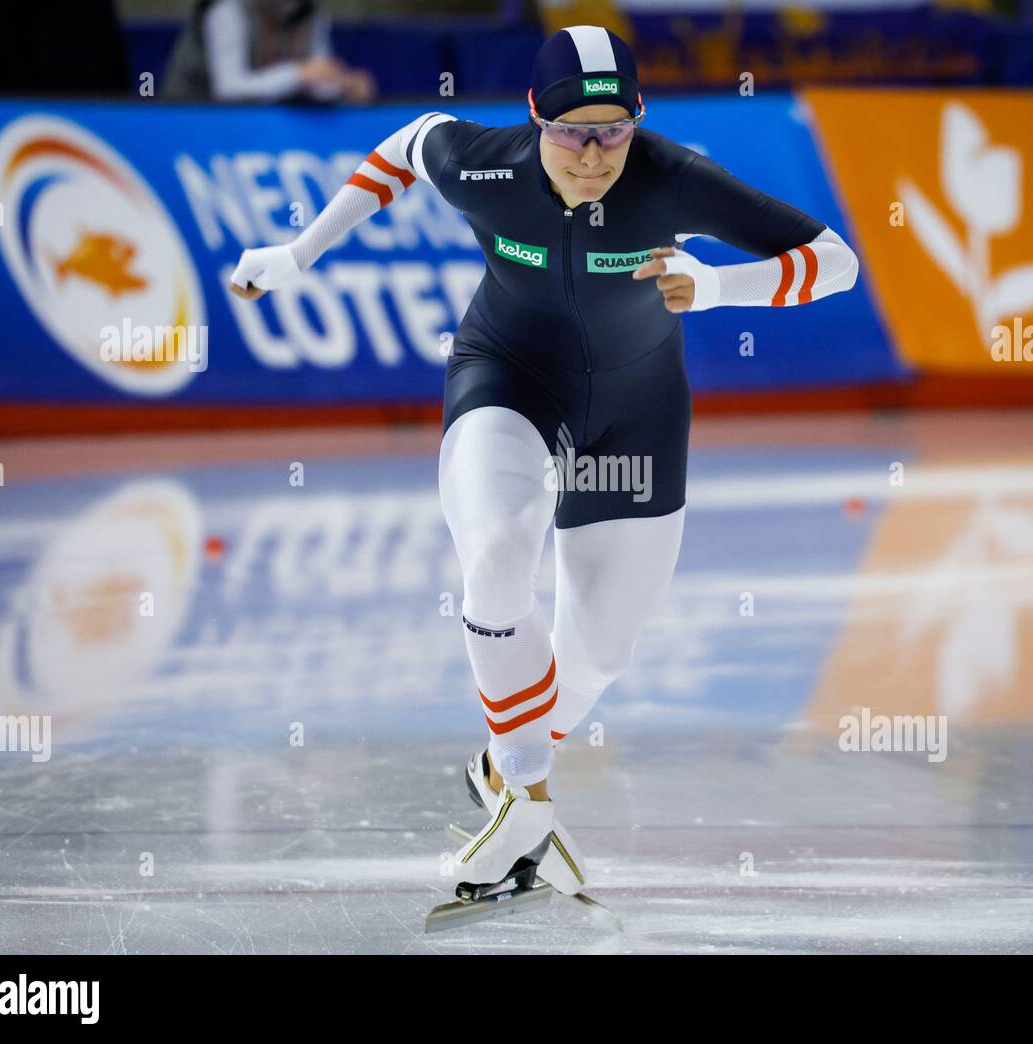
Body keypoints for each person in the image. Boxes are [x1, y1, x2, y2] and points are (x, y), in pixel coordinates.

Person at [230, 25, 858, 899]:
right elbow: (405, 144)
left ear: (638, 121)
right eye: (572, 132)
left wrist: (718, 286)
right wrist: (298, 253)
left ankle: (502, 770)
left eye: (614, 130)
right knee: (496, 553)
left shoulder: (672, 178)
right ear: (534, 118)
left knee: (600, 651)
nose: (595, 154)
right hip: (508, 382)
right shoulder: (484, 164)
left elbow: (836, 262)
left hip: (635, 418)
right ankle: (526, 797)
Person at [163, 0, 374, 104]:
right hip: (192, 123)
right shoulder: (227, 8)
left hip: (268, 123)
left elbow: (317, 78)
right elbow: (229, 89)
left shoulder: (313, 12)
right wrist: (298, 74)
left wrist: (344, 85)